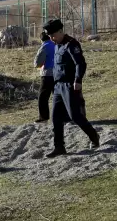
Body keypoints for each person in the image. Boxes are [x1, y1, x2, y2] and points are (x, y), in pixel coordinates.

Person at [43, 19, 100, 158]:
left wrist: (78, 80)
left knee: (75, 116)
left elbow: (80, 63)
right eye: (49, 36)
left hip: (70, 85)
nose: (51, 38)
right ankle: (59, 147)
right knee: (55, 117)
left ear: (60, 31)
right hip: (58, 86)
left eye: (53, 35)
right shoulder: (57, 45)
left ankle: (94, 136)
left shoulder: (71, 44)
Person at [33, 32, 56, 123]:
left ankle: (43, 117)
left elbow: (38, 63)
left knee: (42, 97)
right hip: (58, 73)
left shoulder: (44, 46)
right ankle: (61, 117)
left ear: (41, 39)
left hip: (47, 74)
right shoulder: (55, 44)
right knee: (57, 96)